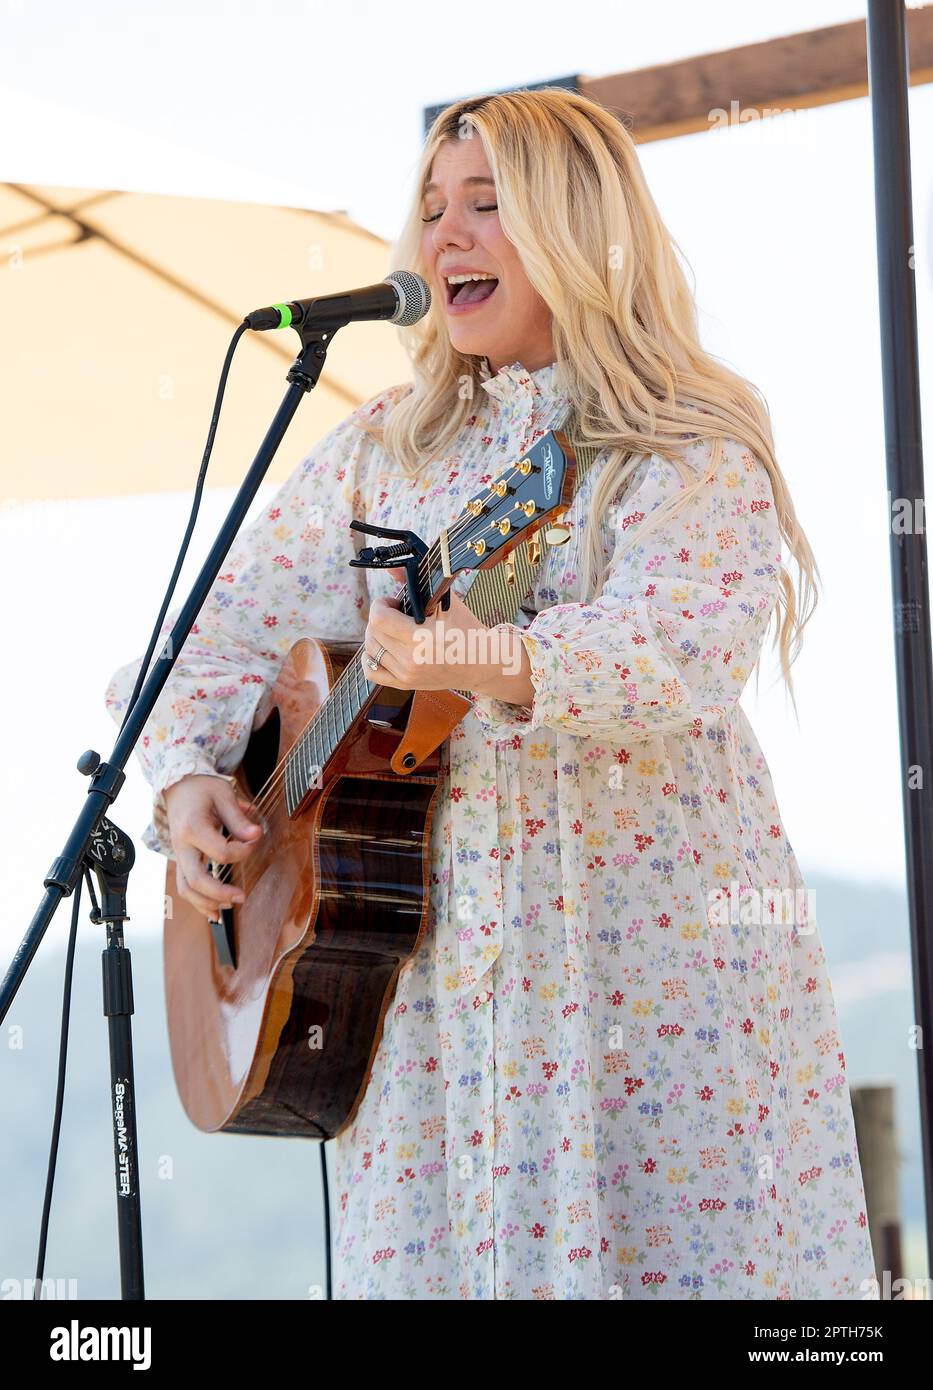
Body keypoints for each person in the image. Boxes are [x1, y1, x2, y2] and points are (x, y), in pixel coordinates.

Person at [105, 87, 877, 1300]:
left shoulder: (685, 440)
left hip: (631, 970)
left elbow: (682, 646)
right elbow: (202, 635)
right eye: (429, 211)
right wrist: (194, 777)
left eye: (486, 204)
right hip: (421, 1015)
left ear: (580, 225)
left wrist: (496, 661)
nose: (444, 237)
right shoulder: (382, 447)